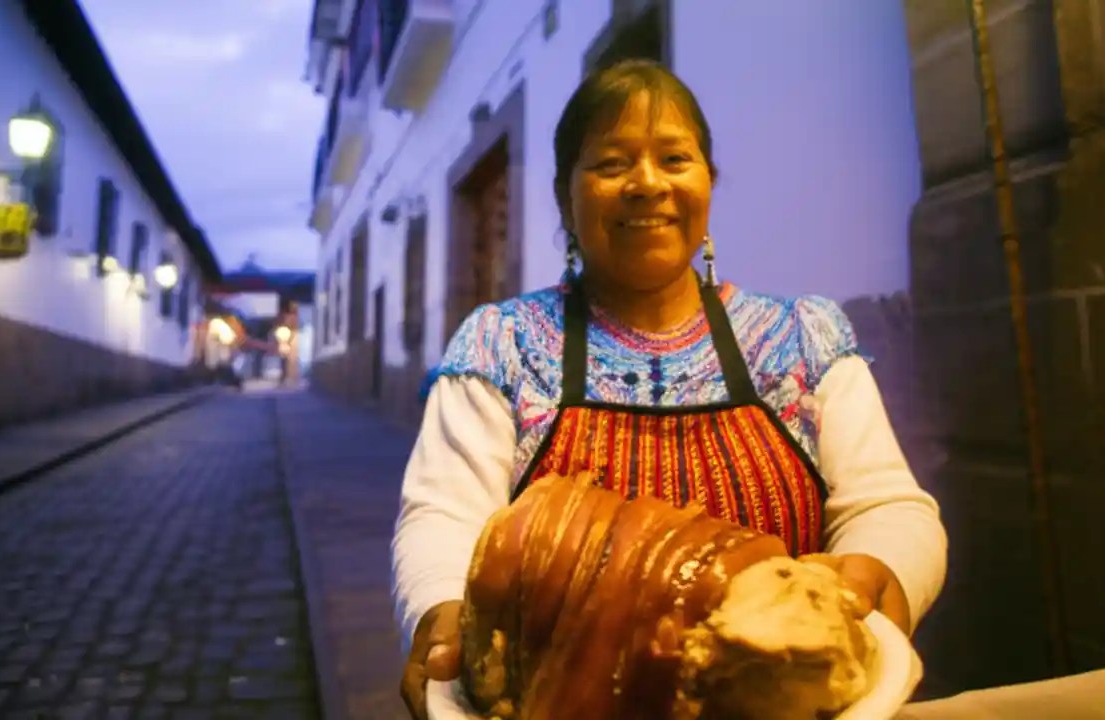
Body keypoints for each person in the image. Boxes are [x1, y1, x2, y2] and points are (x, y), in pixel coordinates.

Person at [391, 59, 947, 719]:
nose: (647, 184)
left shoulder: (802, 336)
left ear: (709, 183)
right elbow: (444, 516)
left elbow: (886, 504)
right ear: (566, 195)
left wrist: (880, 569)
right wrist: (441, 608)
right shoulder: (501, 344)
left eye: (675, 159)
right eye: (611, 164)